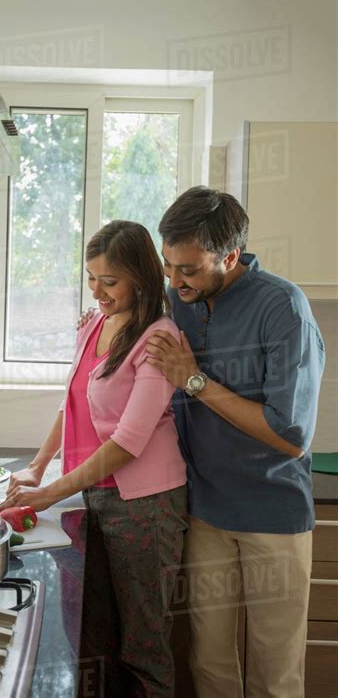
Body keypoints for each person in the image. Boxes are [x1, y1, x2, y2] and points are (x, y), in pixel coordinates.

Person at [144, 186, 325, 698]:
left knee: (275, 670)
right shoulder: (176, 299)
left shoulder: (282, 306)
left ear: (230, 256)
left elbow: (291, 436)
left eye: (190, 269)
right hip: (204, 510)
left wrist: (194, 380)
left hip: (274, 514)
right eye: (168, 265)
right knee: (210, 663)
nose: (176, 281)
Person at [2, 220, 188, 697]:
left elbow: (129, 441)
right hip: (93, 497)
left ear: (141, 278)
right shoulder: (96, 324)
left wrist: (48, 494)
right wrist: (38, 466)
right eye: (91, 277)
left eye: (110, 281)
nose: (97, 290)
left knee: (143, 645)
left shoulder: (158, 337)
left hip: (145, 506)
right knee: (94, 633)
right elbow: (73, 403)